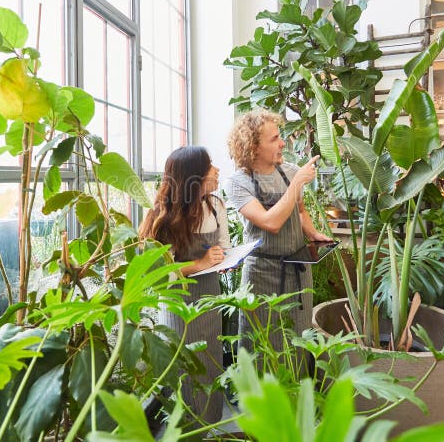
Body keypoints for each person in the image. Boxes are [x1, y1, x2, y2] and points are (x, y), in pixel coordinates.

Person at [223, 109, 331, 351]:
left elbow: (300, 211)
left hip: (297, 272)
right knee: (260, 344)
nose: (283, 143)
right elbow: (270, 223)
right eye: (274, 139)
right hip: (261, 275)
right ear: (253, 147)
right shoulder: (237, 183)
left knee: (297, 342)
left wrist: (313, 234)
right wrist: (297, 182)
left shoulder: (290, 171)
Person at [138, 146, 229, 423]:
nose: (216, 170)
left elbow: (224, 246)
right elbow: (156, 275)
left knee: (210, 366)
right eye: (210, 165)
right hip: (178, 308)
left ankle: (209, 426)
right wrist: (199, 264)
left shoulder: (216, 206)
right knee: (185, 371)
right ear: (193, 176)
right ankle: (187, 432)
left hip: (210, 301)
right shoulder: (161, 217)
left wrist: (225, 258)